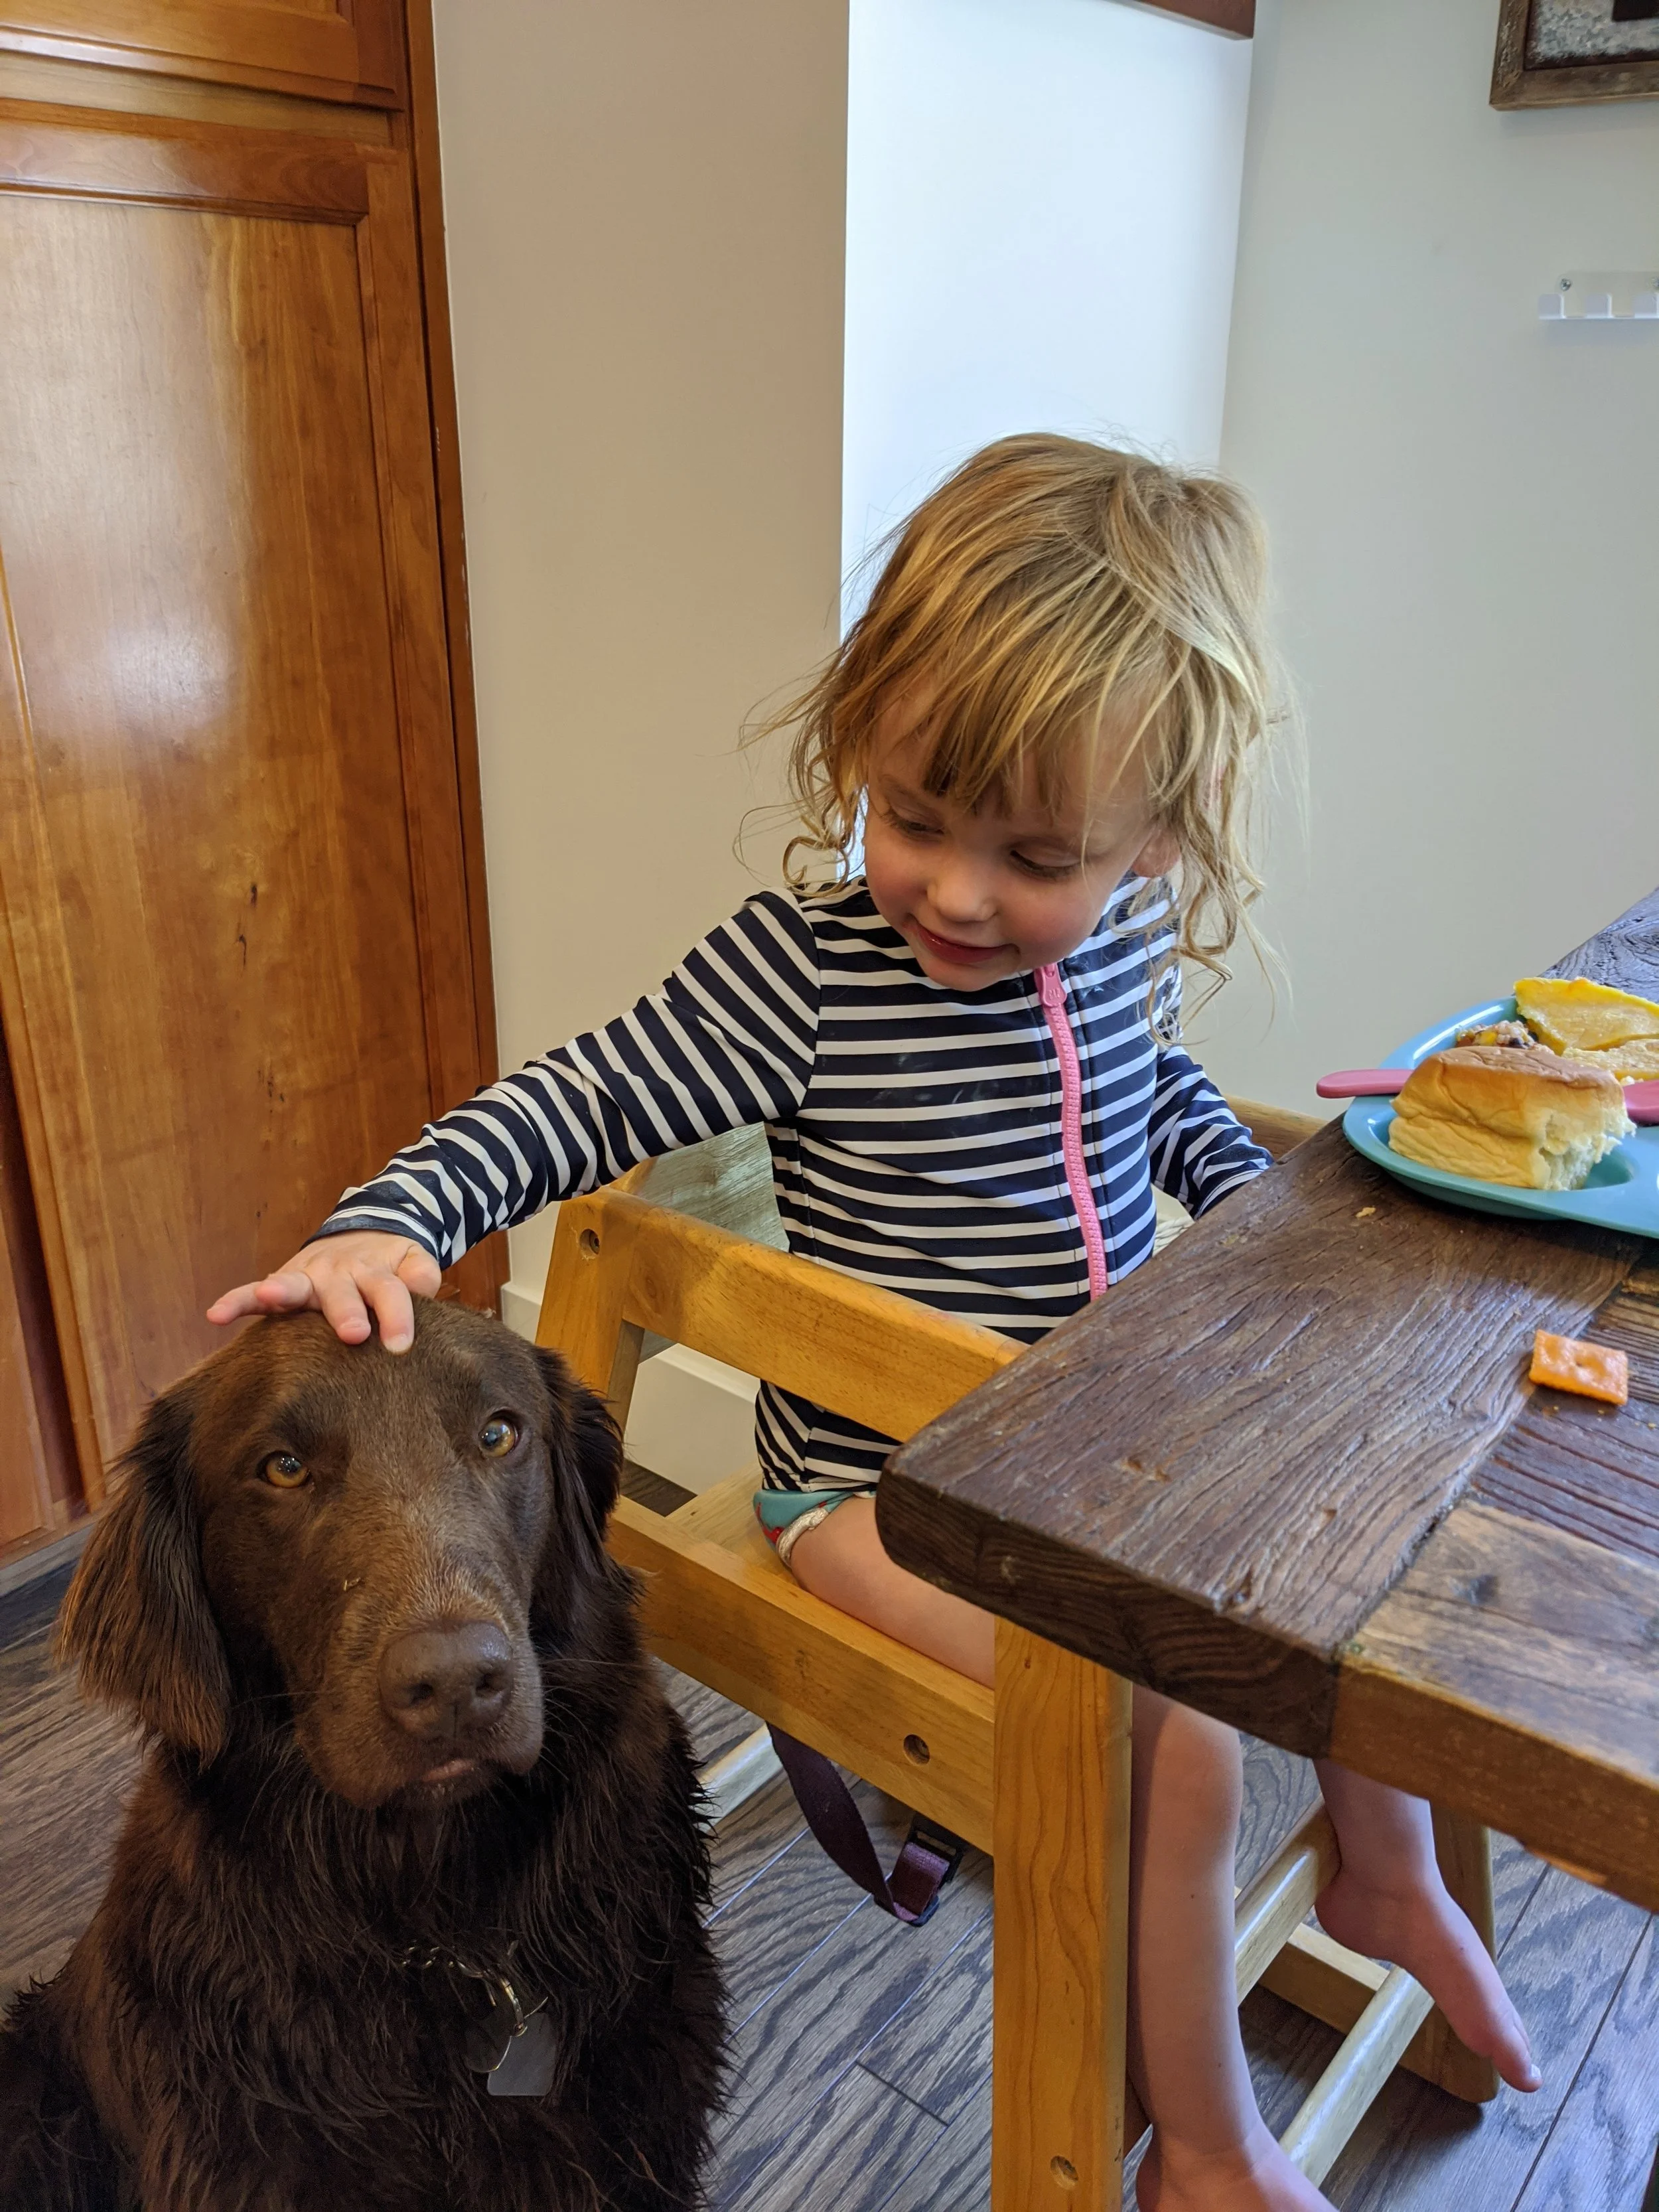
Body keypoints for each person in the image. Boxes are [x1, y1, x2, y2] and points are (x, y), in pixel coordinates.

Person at [210, 436, 1536, 2211]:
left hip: (1099, 1464)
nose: (962, 894)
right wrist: (398, 1210)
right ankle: (1201, 2142)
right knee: (1184, 1735)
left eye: (1037, 854)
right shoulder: (806, 977)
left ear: (1156, 835)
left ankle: (1381, 1866)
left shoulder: (1120, 940)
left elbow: (1164, 1107)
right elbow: (576, 1093)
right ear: (851, 749)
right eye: (913, 818)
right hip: (876, 1497)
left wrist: (1249, 1209)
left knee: (1361, 1528)